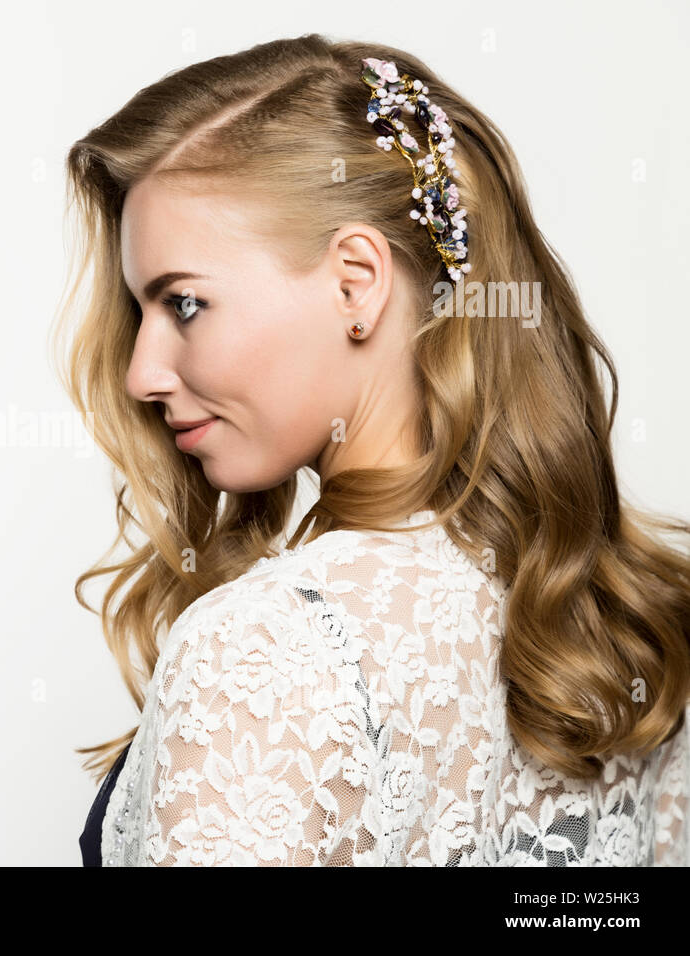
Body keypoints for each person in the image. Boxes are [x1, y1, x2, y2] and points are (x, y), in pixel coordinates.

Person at [53, 34, 690, 866]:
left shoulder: (266, 647)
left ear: (356, 282)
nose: (142, 373)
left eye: (184, 303)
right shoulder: (624, 623)